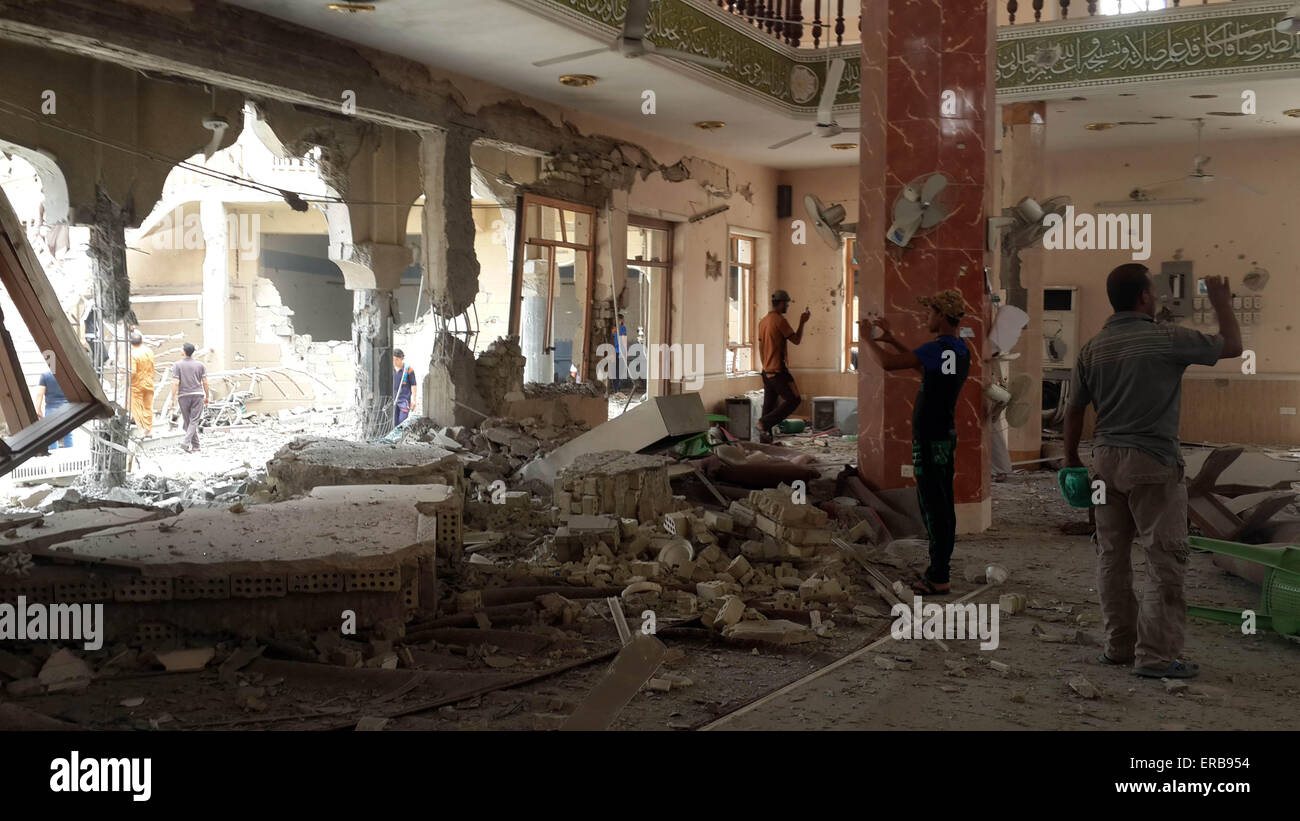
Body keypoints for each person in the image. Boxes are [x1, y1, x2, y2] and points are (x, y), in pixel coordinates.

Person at [1064, 267, 1241, 680]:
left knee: (1111, 555)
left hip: (1104, 464)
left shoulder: (1093, 348)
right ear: (1144, 297)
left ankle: (1118, 647)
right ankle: (1156, 657)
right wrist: (1220, 302)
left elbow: (1074, 410)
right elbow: (1232, 346)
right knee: (1165, 559)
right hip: (1152, 463)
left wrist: (1072, 459)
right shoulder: (1166, 339)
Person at [862, 289, 972, 596]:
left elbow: (886, 364)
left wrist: (867, 339)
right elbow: (926, 369)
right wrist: (892, 339)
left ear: (940, 315)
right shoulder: (959, 349)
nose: (926, 318)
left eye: (929, 313)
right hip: (945, 436)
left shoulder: (938, 348)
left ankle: (939, 576)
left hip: (930, 437)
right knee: (942, 503)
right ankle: (939, 569)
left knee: (932, 506)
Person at [755, 289, 810, 443]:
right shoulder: (779, 320)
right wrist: (802, 322)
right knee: (794, 400)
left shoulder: (763, 321)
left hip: (766, 371)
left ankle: (765, 442)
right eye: (787, 303)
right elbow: (796, 340)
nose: (788, 306)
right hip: (778, 370)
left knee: (769, 407)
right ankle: (764, 423)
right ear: (780, 303)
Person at [164, 343, 210, 453]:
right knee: (192, 422)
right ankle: (196, 445)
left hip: (183, 396)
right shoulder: (200, 365)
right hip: (198, 395)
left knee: (189, 422)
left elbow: (175, 383)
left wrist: (172, 399)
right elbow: (205, 382)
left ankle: (187, 443)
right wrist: (207, 396)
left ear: (184, 351)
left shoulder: (177, 365)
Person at [33, 369, 72, 451]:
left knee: (51, 435)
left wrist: (38, 409)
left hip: (51, 409)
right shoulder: (68, 374)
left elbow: (40, 394)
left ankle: (53, 458)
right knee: (68, 433)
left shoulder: (45, 375)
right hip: (67, 408)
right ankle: (70, 455)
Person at [128, 331, 156, 438]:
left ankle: (140, 432)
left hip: (136, 385)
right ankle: (148, 431)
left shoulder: (133, 354)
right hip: (149, 382)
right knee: (148, 407)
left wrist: (124, 372)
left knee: (137, 408)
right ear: (142, 341)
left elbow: (133, 371)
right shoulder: (149, 351)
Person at [393, 349, 418, 427]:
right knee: (394, 423)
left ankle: (400, 438)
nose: (395, 362)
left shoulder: (408, 370)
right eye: (393, 359)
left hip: (404, 401)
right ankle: (394, 439)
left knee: (402, 423)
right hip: (393, 400)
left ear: (401, 358)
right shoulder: (390, 369)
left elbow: (413, 385)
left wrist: (413, 400)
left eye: (397, 359)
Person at [611, 313, 629, 393]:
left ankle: (616, 389)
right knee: (618, 371)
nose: (623, 321)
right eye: (622, 319)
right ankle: (616, 389)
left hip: (616, 352)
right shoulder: (621, 328)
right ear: (620, 320)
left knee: (616, 371)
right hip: (619, 352)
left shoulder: (615, 329)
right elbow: (624, 341)